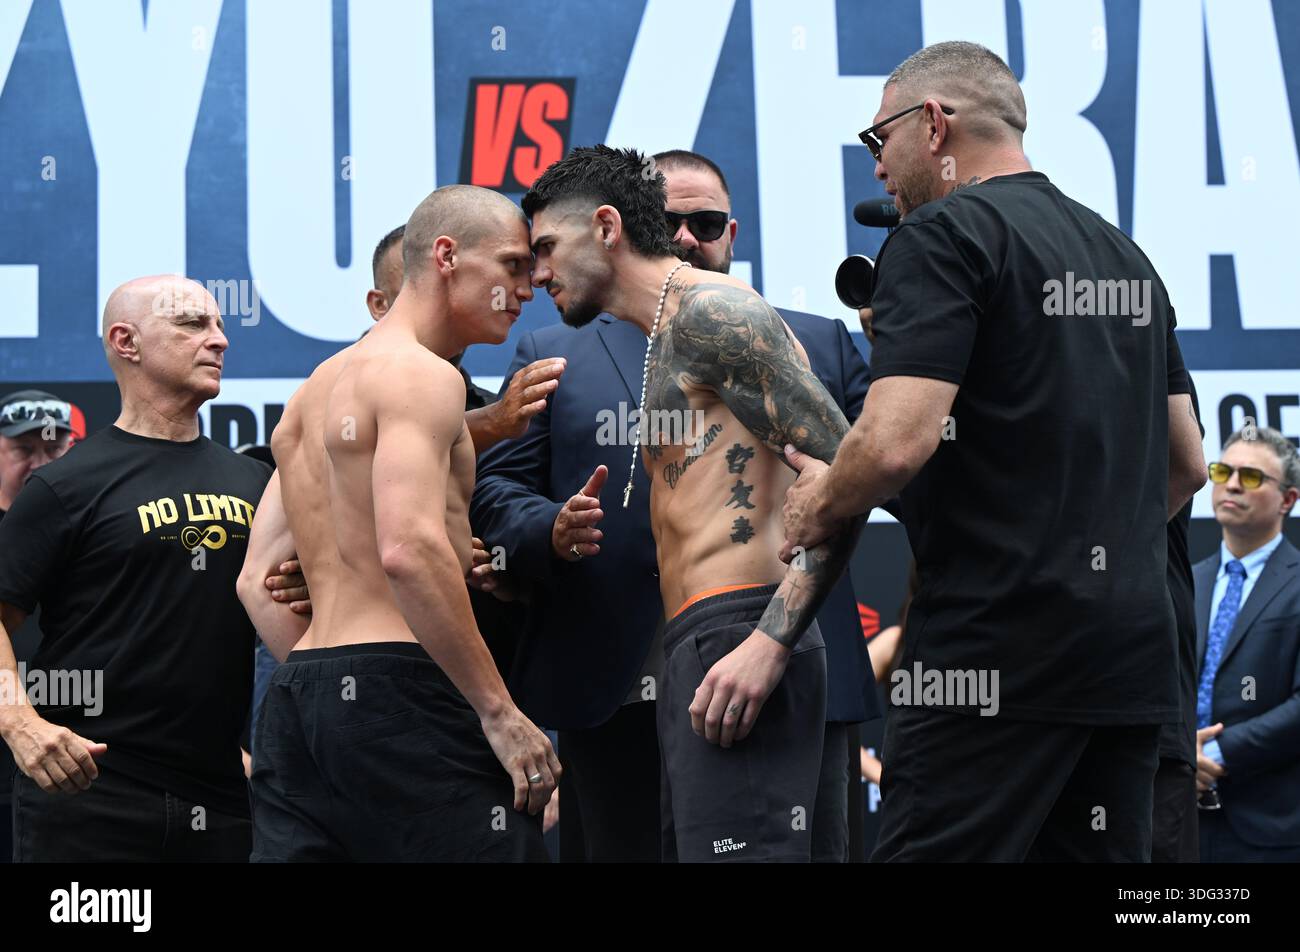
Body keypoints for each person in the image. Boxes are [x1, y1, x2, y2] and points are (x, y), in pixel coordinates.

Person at [780, 41, 1207, 861]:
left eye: (879, 142)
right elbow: (1187, 463)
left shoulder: (942, 235)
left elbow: (898, 440)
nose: (876, 168)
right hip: (1129, 658)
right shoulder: (1126, 256)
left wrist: (820, 499)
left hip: (990, 655)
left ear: (934, 124)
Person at [472, 150, 878, 862]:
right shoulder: (667, 333)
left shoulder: (712, 311)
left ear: (605, 227)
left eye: (545, 249)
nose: (536, 276)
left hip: (741, 629)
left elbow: (845, 476)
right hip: (697, 642)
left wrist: (769, 643)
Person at [238, 185, 558, 862]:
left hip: (302, 699)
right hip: (408, 688)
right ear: (446, 256)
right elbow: (408, 549)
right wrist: (499, 712)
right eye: (510, 265)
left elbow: (254, 581)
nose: (527, 288)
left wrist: (328, 688)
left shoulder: (311, 394)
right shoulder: (423, 376)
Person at [0, 276, 281, 861]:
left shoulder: (258, 483)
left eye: (221, 325)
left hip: (222, 800)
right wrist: (18, 721)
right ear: (126, 342)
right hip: (89, 793)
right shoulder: (64, 485)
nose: (220, 340)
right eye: (193, 324)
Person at [1193, 425, 1300, 862]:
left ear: (1288, 499)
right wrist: (1180, 752)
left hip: (1270, 828)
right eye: (1222, 471)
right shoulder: (1185, 581)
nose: (1232, 485)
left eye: (1252, 477)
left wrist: (1214, 753)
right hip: (1177, 822)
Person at [369, 223, 565, 455]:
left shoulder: (501, 412)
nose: (525, 291)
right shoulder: (336, 391)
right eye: (414, 280)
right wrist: (491, 422)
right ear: (379, 305)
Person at [0, 389, 75, 863]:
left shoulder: (91, 532)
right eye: (23, 450)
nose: (39, 462)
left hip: (69, 768)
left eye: (52, 449)